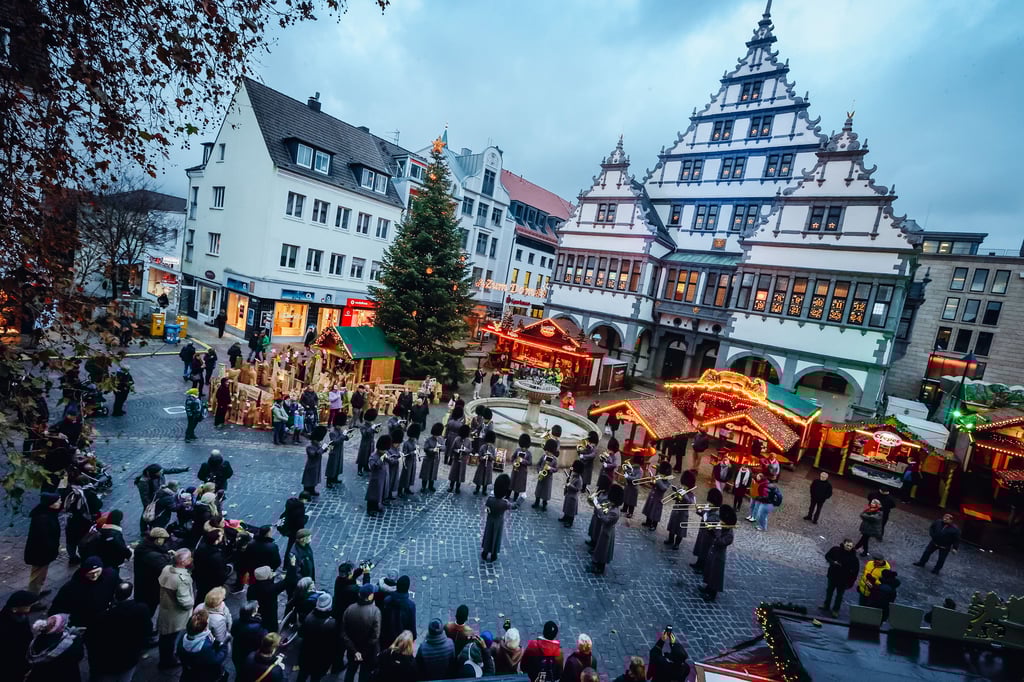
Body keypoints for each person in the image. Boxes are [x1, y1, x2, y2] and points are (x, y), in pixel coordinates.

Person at [87, 581, 151, 682]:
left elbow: (92, 639)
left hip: (106, 661)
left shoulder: (103, 617)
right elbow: (147, 630)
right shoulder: (142, 609)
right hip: (130, 656)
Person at [49, 556, 118, 629]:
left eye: (97, 571)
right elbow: (57, 607)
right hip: (80, 622)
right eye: (91, 573)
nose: (94, 575)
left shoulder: (111, 576)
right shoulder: (71, 587)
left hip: (99, 617)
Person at [157, 549, 195, 669]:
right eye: (189, 558)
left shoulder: (167, 569)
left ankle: (165, 657)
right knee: (170, 638)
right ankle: (167, 660)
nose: (191, 560)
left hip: (165, 608)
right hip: (176, 614)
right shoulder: (181, 579)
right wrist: (191, 603)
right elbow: (184, 601)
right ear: (183, 562)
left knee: (165, 637)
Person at [25, 613, 85, 682]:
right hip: (65, 676)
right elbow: (79, 656)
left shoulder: (38, 639)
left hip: (42, 675)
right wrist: (77, 639)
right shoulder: (69, 645)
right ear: (61, 628)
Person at [341, 583, 381, 682]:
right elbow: (375, 636)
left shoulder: (349, 609)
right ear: (370, 596)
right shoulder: (375, 612)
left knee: (350, 671)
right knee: (364, 674)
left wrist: (355, 651)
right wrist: (363, 652)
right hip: (368, 652)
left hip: (352, 650)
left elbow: (343, 632)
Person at [25, 492, 62, 595]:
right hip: (40, 554)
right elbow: (44, 539)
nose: (60, 502)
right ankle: (32, 599)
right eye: (58, 501)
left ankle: (38, 591)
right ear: (51, 503)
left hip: (43, 554)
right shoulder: (43, 519)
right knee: (37, 577)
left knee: (41, 575)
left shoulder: (46, 513)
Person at [176, 610, 228, 681]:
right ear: (204, 628)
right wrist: (223, 648)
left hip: (189, 673)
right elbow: (215, 660)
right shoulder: (205, 647)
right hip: (204, 676)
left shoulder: (183, 638)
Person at [297, 592, 338, 682]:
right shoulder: (332, 623)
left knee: (302, 675)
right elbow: (333, 645)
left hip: (306, 654)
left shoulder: (309, 617)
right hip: (321, 658)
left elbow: (300, 633)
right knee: (315, 678)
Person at [133, 527, 174, 617]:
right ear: (158, 540)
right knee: (148, 611)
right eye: (164, 539)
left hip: (141, 586)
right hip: (151, 590)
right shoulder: (154, 557)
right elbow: (168, 570)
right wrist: (171, 559)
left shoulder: (143, 547)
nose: (165, 542)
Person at [700, 504, 737, 602]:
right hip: (713, 552)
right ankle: (707, 588)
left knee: (715, 575)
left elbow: (719, 541)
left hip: (719, 556)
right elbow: (712, 535)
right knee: (709, 571)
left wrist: (718, 530)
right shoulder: (722, 526)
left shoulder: (729, 535)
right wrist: (711, 529)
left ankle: (712, 594)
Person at [79, 508, 132, 574]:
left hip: (101, 558)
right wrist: (129, 553)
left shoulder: (102, 530)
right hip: (111, 561)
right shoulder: (115, 535)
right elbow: (122, 548)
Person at [1, 590, 37, 681]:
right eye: (27, 606)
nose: (30, 608)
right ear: (15, 608)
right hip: (13, 660)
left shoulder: (20, 616)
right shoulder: (5, 625)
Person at [590, 484, 624, 574]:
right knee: (600, 548)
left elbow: (605, 519)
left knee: (603, 550)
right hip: (604, 530)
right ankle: (598, 562)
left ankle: (600, 567)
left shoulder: (615, 512)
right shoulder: (612, 507)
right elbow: (605, 511)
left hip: (607, 532)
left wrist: (598, 508)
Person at [823, 539, 860, 617]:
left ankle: (835, 610)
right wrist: (833, 562)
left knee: (839, 596)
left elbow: (855, 572)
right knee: (829, 591)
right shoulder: (835, 550)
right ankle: (826, 605)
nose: (849, 547)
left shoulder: (854, 558)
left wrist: (850, 583)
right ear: (844, 544)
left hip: (843, 580)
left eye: (850, 546)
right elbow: (827, 556)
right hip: (832, 576)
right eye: (847, 545)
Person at [482, 473, 513, 561]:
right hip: (499, 522)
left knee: (488, 535)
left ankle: (485, 552)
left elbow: (487, 508)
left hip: (490, 520)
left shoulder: (490, 499)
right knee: (496, 537)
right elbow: (513, 506)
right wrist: (521, 499)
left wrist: (489, 513)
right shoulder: (505, 503)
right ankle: (493, 554)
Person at [381, 575, 417, 648]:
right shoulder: (410, 605)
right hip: (401, 639)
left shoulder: (387, 600)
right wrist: (413, 637)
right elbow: (411, 624)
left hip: (387, 637)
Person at [666, 470, 697, 550]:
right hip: (675, 511)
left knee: (680, 530)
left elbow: (689, 502)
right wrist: (675, 493)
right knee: (672, 526)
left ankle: (677, 544)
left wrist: (684, 494)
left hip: (683, 514)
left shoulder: (691, 494)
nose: (683, 486)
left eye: (685, 486)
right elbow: (673, 498)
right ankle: (670, 539)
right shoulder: (680, 489)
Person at [642, 461, 674, 530]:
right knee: (649, 509)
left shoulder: (667, 480)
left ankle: (654, 525)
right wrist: (652, 481)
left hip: (658, 498)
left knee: (655, 512)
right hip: (652, 496)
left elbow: (664, 488)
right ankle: (648, 522)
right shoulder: (659, 476)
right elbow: (653, 484)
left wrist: (658, 481)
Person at [285, 528, 316, 596]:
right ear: (303, 539)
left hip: (308, 575)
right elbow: (296, 573)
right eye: (309, 537)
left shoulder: (306, 546)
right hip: (301, 583)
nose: (311, 538)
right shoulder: (294, 554)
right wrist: (307, 583)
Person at [533, 438, 559, 510]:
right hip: (541, 475)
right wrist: (539, 471)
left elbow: (556, 469)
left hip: (548, 478)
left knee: (546, 492)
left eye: (549, 451)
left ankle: (544, 504)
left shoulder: (554, 459)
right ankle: (536, 502)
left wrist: (550, 468)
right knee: (538, 490)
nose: (547, 452)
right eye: (546, 450)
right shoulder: (543, 457)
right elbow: (538, 465)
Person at [366, 435, 389, 515]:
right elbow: (373, 467)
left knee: (379, 493)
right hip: (375, 479)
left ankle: (376, 506)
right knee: (373, 494)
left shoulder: (383, 453)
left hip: (382, 477)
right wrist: (381, 459)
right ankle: (370, 509)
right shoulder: (373, 456)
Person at [303, 426, 328, 497]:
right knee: (308, 479)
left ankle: (312, 489)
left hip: (316, 465)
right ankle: (306, 491)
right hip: (311, 466)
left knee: (314, 478)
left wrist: (325, 449)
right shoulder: (309, 446)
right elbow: (314, 454)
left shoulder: (317, 444)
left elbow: (320, 452)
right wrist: (322, 449)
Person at [510, 433, 533, 504]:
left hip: (522, 472)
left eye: (525, 447)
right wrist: (514, 462)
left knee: (518, 486)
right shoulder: (517, 450)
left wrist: (522, 461)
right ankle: (507, 495)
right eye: (523, 447)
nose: (523, 448)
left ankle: (515, 498)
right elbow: (512, 457)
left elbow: (530, 462)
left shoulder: (529, 453)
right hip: (515, 470)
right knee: (511, 483)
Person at [560, 460, 584, 527]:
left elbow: (577, 489)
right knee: (567, 507)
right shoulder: (574, 475)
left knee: (571, 510)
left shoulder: (579, 479)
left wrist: (569, 485)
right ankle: (565, 517)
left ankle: (570, 522)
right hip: (569, 494)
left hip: (573, 496)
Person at [357, 407, 378, 475]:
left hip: (371, 443)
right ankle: (359, 469)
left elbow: (375, 432)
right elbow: (364, 434)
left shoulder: (371, 424)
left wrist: (376, 429)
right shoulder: (363, 425)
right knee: (362, 456)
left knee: (369, 456)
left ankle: (366, 466)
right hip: (365, 444)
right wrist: (371, 428)